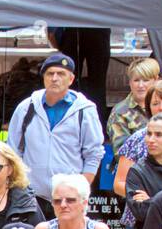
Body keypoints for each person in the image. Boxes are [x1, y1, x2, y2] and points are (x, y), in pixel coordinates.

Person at [7, 53, 104, 219]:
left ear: (71, 79)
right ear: (43, 78)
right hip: (31, 196)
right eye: (50, 74)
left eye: (61, 74)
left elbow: (93, 154)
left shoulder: (85, 111)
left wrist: (80, 189)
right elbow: (13, 151)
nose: (55, 78)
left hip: (69, 199)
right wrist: (19, 186)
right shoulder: (26, 107)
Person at [113, 78, 162, 197]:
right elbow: (119, 183)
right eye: (155, 103)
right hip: (141, 210)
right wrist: (149, 199)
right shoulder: (136, 140)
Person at [107, 58, 160, 155]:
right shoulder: (120, 112)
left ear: (156, 80)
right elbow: (121, 153)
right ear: (130, 82)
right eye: (136, 80)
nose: (140, 85)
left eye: (145, 80)